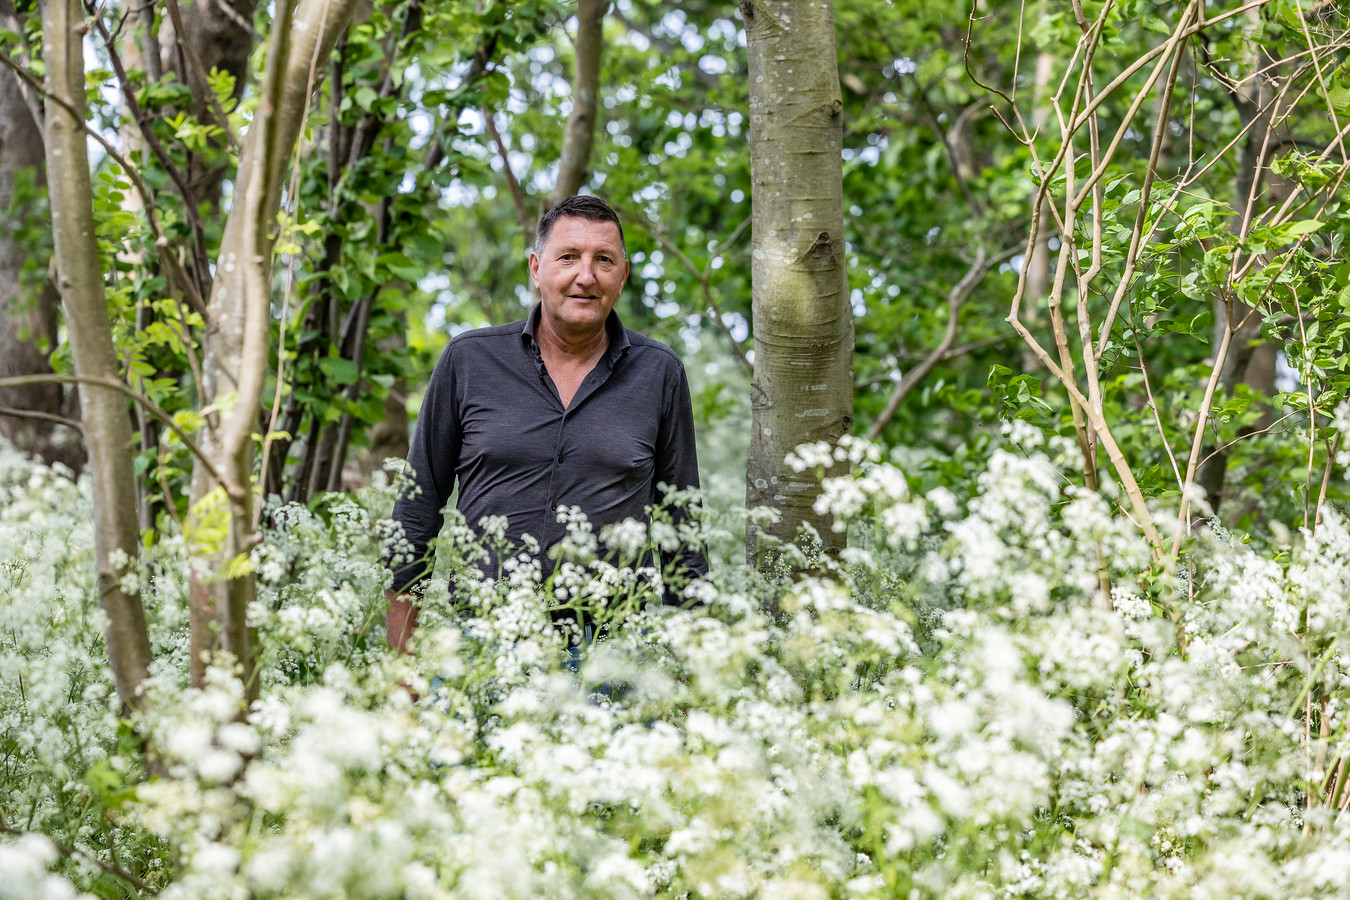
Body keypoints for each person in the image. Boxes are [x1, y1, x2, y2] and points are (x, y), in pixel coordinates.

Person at [383, 195, 707, 652]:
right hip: (481, 647)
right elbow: (414, 519)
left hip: (608, 655)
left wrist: (693, 682)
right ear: (536, 269)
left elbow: (683, 536)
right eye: (569, 257)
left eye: (604, 260)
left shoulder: (659, 374)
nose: (586, 276)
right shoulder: (469, 361)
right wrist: (402, 668)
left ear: (623, 275)